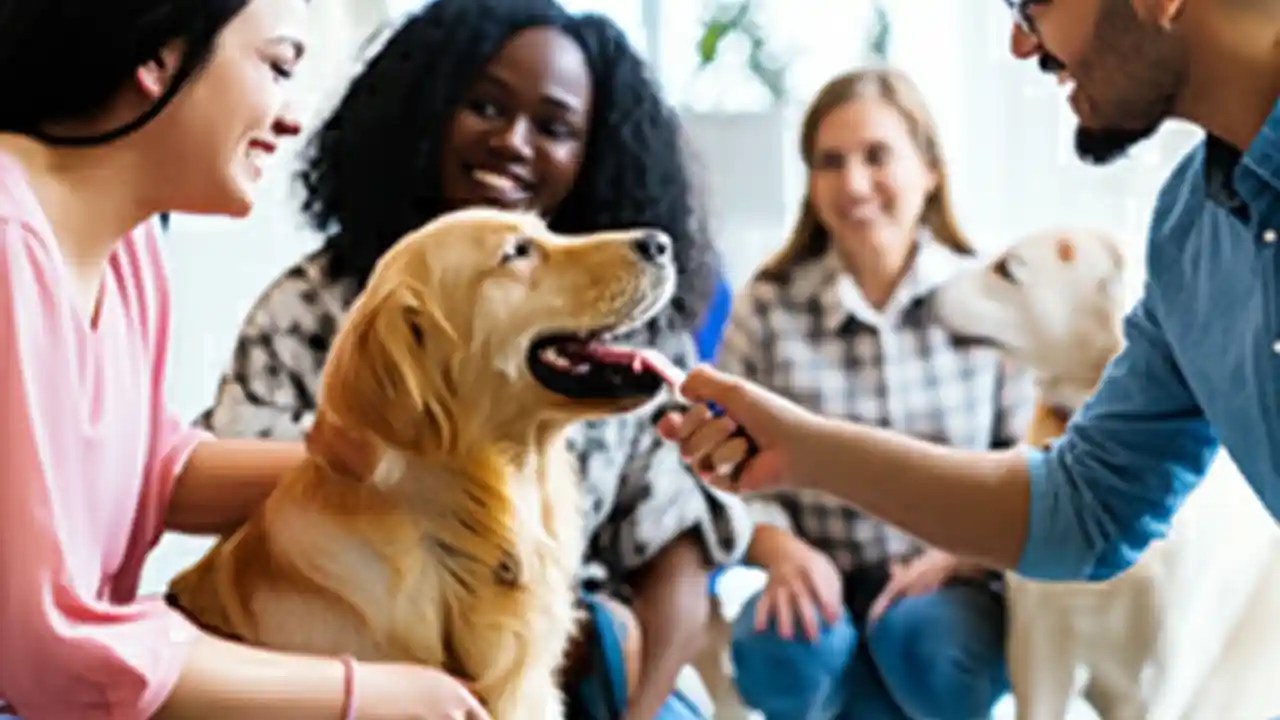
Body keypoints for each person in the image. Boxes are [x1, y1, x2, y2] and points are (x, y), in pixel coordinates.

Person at [194, 0, 753, 717]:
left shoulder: (618, 318)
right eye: (486, 107)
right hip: (352, 648)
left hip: (582, 660)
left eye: (553, 127)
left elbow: (676, 549)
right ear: (427, 110)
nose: (513, 143)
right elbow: (242, 506)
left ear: (592, 151)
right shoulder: (313, 309)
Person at [660, 0, 1280, 598]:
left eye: (1031, 1)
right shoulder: (1191, 232)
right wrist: (806, 451)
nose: (1021, 44)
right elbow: (1086, 507)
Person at [0, 0, 491, 718]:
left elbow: (146, 471)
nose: (291, 119)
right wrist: (364, 697)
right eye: (277, 66)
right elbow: (50, 646)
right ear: (157, 57)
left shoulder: (128, 248)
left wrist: (380, 473)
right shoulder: (10, 245)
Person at [716, 68, 1034, 720]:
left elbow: (1032, 462)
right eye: (830, 163)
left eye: (877, 156)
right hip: (817, 574)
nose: (854, 183)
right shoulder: (768, 306)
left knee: (927, 647)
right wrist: (779, 548)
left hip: (948, 585)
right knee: (782, 654)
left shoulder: (991, 304)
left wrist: (963, 555)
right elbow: (714, 463)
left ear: (930, 169)